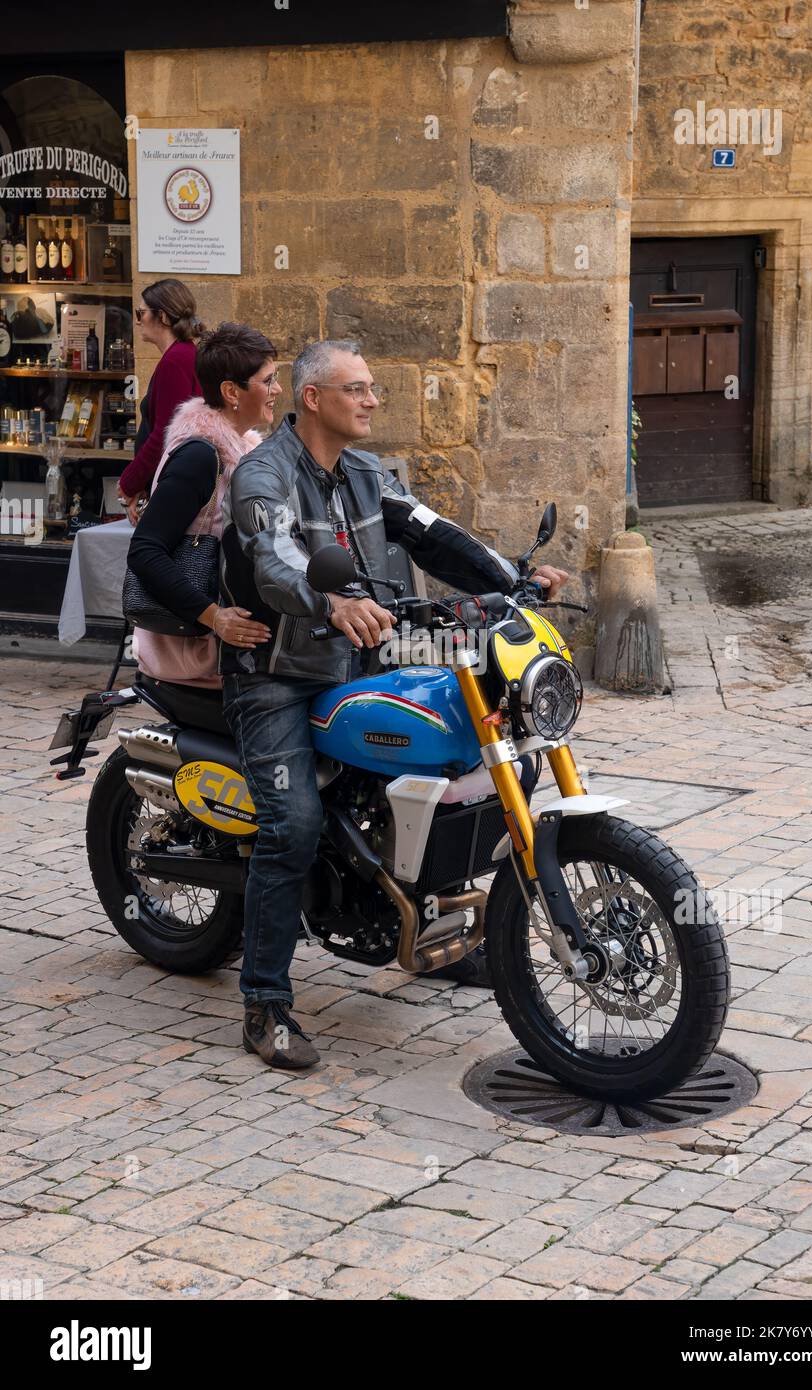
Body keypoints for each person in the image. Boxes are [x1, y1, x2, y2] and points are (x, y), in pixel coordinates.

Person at [221, 338, 569, 1071]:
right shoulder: (264, 474)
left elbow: (433, 534)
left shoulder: (366, 472)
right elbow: (272, 555)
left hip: (363, 657)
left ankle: (434, 938)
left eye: (375, 387)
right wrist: (327, 598)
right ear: (313, 398)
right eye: (358, 389)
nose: (374, 400)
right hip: (279, 672)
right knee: (294, 822)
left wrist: (512, 578)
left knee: (449, 776)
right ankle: (266, 1002)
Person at [125, 323, 276, 699]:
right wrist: (214, 617)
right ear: (231, 391)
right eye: (268, 381)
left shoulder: (241, 450)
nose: (276, 391)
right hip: (195, 653)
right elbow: (145, 550)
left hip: (222, 649)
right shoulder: (200, 456)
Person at [118, 279, 205, 524]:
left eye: (141, 313)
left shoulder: (176, 359)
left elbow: (166, 433)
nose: (137, 320)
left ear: (163, 316)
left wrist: (129, 482)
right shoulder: (183, 354)